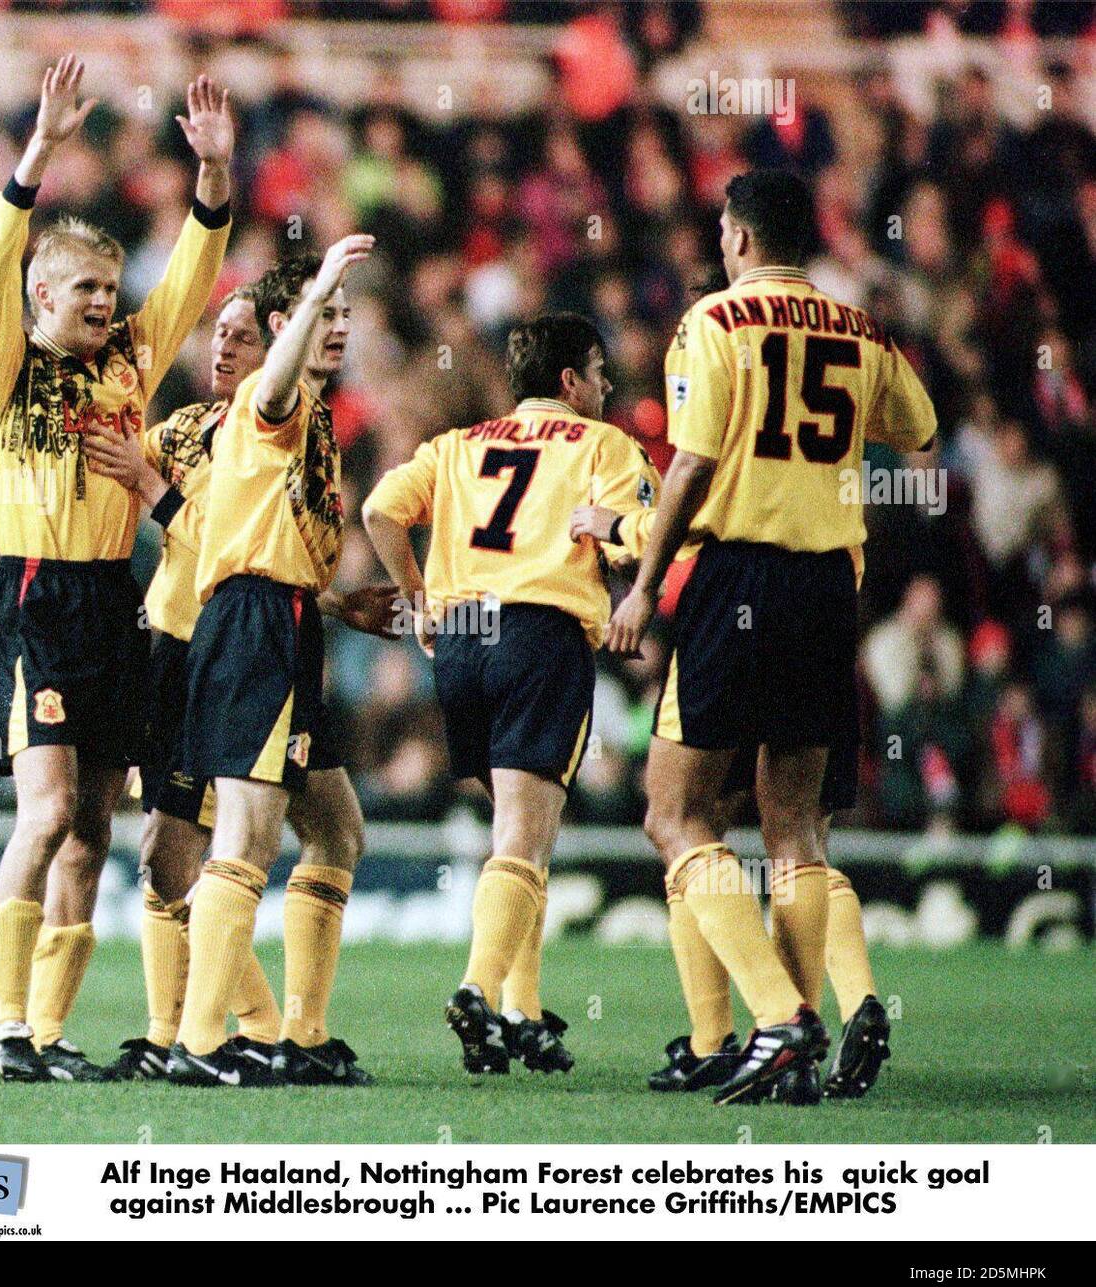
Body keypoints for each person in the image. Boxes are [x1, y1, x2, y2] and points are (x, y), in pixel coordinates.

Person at [577, 168, 935, 1105]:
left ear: (738, 239)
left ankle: (778, 1017)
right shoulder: (860, 330)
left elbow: (691, 463)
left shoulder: (712, 323)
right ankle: (792, 1047)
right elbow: (922, 428)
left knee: (675, 811)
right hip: (827, 585)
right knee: (794, 827)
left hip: (741, 577)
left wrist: (644, 588)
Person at [0, 56, 233, 1082]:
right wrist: (38, 151)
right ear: (42, 294)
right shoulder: (6, 364)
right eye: (84, 286)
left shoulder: (127, 357)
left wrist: (212, 176)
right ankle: (0, 1017)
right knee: (43, 812)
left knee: (89, 826)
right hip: (35, 594)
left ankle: (44, 1027)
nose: (102, 302)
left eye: (108, 289)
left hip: (110, 601)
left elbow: (195, 275)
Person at [363, 312, 659, 1077]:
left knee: (516, 835)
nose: (607, 385)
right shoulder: (604, 445)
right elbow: (657, 536)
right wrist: (621, 528)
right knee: (525, 839)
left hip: (462, 641)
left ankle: (521, 1013)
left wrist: (418, 597)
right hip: (540, 635)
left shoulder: (457, 445)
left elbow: (378, 512)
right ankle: (477, 988)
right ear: (569, 381)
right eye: (599, 372)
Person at [169, 241, 398, 1087]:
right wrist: (325, 276)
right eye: (323, 311)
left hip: (292, 621)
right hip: (254, 625)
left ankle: (300, 1035)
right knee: (247, 835)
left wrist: (334, 601)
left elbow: (268, 531)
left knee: (336, 829)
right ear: (284, 326)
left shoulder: (313, 416)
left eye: (343, 312)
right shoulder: (275, 397)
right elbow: (268, 386)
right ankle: (197, 1043)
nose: (338, 325)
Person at [80, 284, 284, 1082]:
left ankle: (257, 1026)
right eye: (217, 333)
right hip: (167, 652)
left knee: (179, 848)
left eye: (240, 337)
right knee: (164, 855)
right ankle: (176, 1035)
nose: (221, 347)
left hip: (227, 650)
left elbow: (228, 545)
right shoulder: (190, 428)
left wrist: (149, 483)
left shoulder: (268, 436)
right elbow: (113, 455)